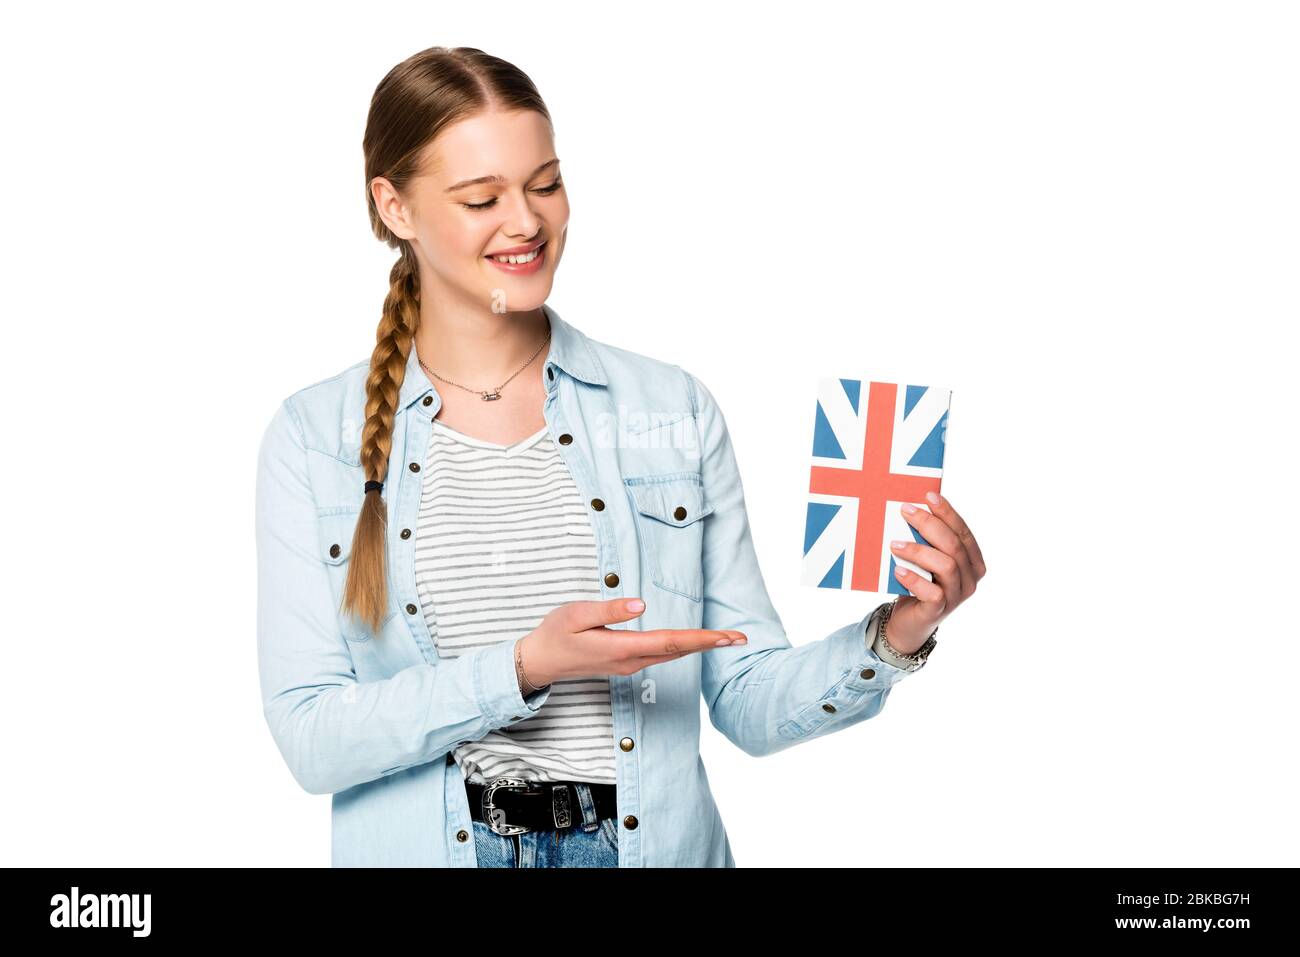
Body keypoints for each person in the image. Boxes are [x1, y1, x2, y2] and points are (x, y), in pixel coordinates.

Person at [254, 45, 987, 868]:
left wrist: (897, 633)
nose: (526, 222)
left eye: (545, 183)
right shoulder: (313, 439)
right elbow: (312, 739)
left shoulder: (670, 410)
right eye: (481, 198)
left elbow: (745, 696)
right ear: (394, 206)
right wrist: (523, 668)